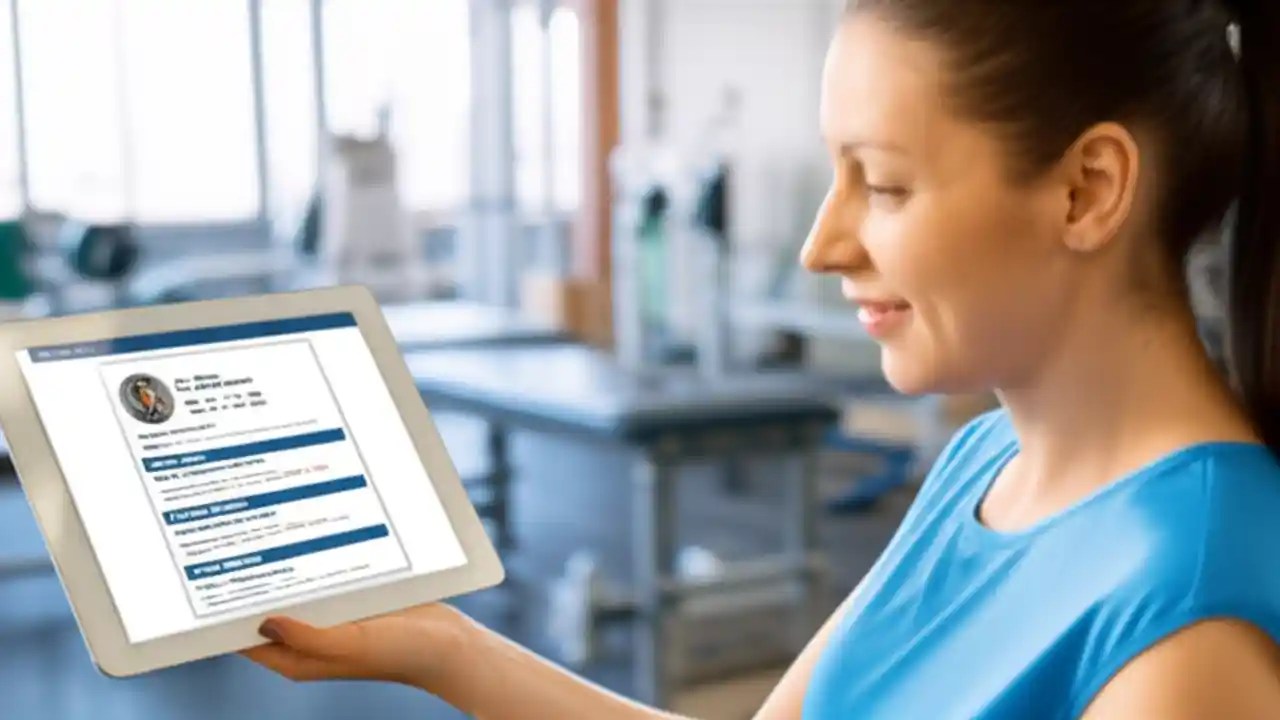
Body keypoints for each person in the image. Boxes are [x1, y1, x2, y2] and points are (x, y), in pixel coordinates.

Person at [245, 1, 1280, 716]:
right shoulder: (983, 462)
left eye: (879, 184)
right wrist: (444, 649)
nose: (819, 244)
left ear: (1085, 189)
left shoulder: (1186, 608)